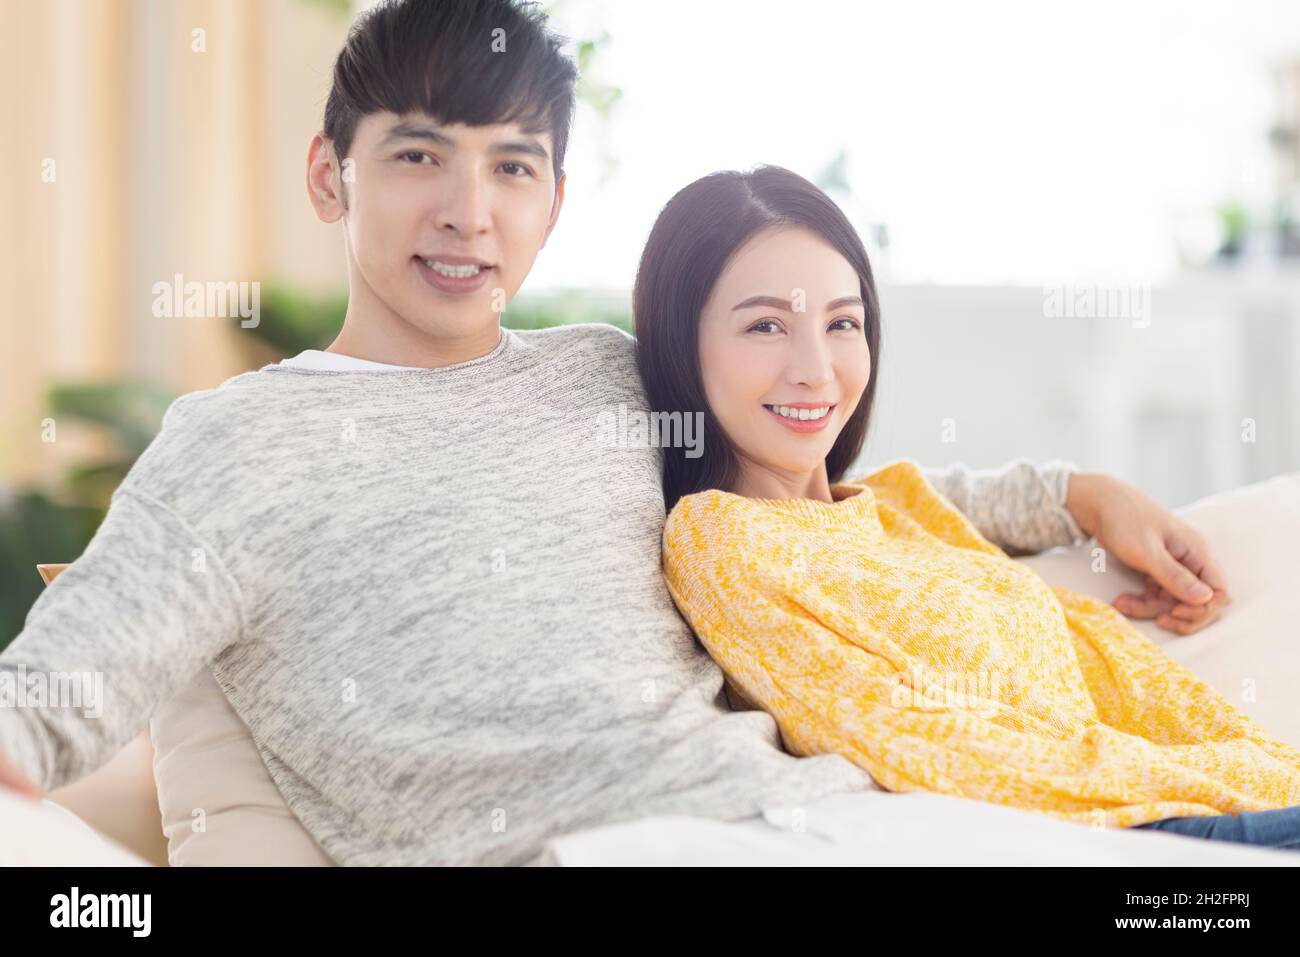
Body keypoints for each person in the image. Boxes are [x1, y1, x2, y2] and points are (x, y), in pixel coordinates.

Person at [0, 0, 1237, 865]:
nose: (468, 213)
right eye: (421, 154)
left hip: (829, 822)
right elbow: (55, 694)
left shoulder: (608, 380)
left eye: (514, 167)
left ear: (555, 200)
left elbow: (820, 499)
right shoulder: (237, 444)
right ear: (331, 175)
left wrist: (1073, 492)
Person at [636, 163, 1300, 852]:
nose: (816, 368)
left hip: (1221, 789)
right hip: (1145, 829)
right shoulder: (720, 538)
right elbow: (916, 743)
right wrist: (1214, 782)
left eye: (843, 322)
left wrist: (1255, 765)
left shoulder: (901, 504)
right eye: (767, 325)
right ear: (684, 343)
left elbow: (1112, 675)